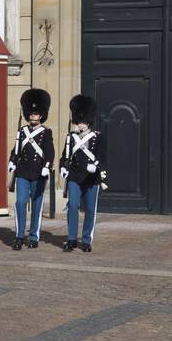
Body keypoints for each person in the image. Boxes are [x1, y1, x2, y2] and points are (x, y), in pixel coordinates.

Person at [8, 88, 55, 250]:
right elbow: (16, 150)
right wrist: (12, 161)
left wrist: (47, 166)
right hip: (23, 172)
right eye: (31, 113)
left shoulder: (46, 132)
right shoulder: (22, 132)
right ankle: (19, 235)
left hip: (38, 172)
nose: (33, 116)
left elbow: (50, 152)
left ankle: (34, 236)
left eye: (36, 114)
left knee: (37, 205)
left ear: (41, 115)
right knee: (20, 203)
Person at [60, 95, 107, 254]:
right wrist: (63, 167)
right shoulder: (70, 138)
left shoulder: (97, 137)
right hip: (74, 176)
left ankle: (86, 240)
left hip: (91, 178)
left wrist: (96, 165)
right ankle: (72, 238)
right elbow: (65, 156)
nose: (80, 124)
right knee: (73, 205)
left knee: (90, 210)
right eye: (78, 121)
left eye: (83, 121)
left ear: (88, 121)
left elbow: (102, 156)